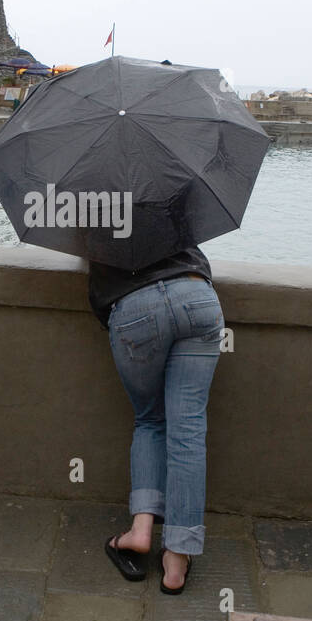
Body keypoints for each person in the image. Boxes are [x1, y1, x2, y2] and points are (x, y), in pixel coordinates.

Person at [91, 246, 223, 594]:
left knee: (150, 419)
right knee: (188, 431)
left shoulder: (89, 200)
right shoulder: (171, 190)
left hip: (135, 307)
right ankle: (177, 558)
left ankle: (141, 531)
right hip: (196, 296)